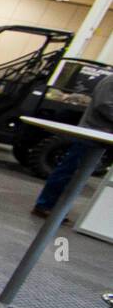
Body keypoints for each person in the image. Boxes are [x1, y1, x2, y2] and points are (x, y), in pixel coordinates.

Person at [32, 73, 113, 220]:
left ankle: (58, 209)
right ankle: (45, 205)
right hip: (92, 133)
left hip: (104, 136)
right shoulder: (111, 81)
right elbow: (104, 105)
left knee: (78, 175)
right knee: (69, 171)